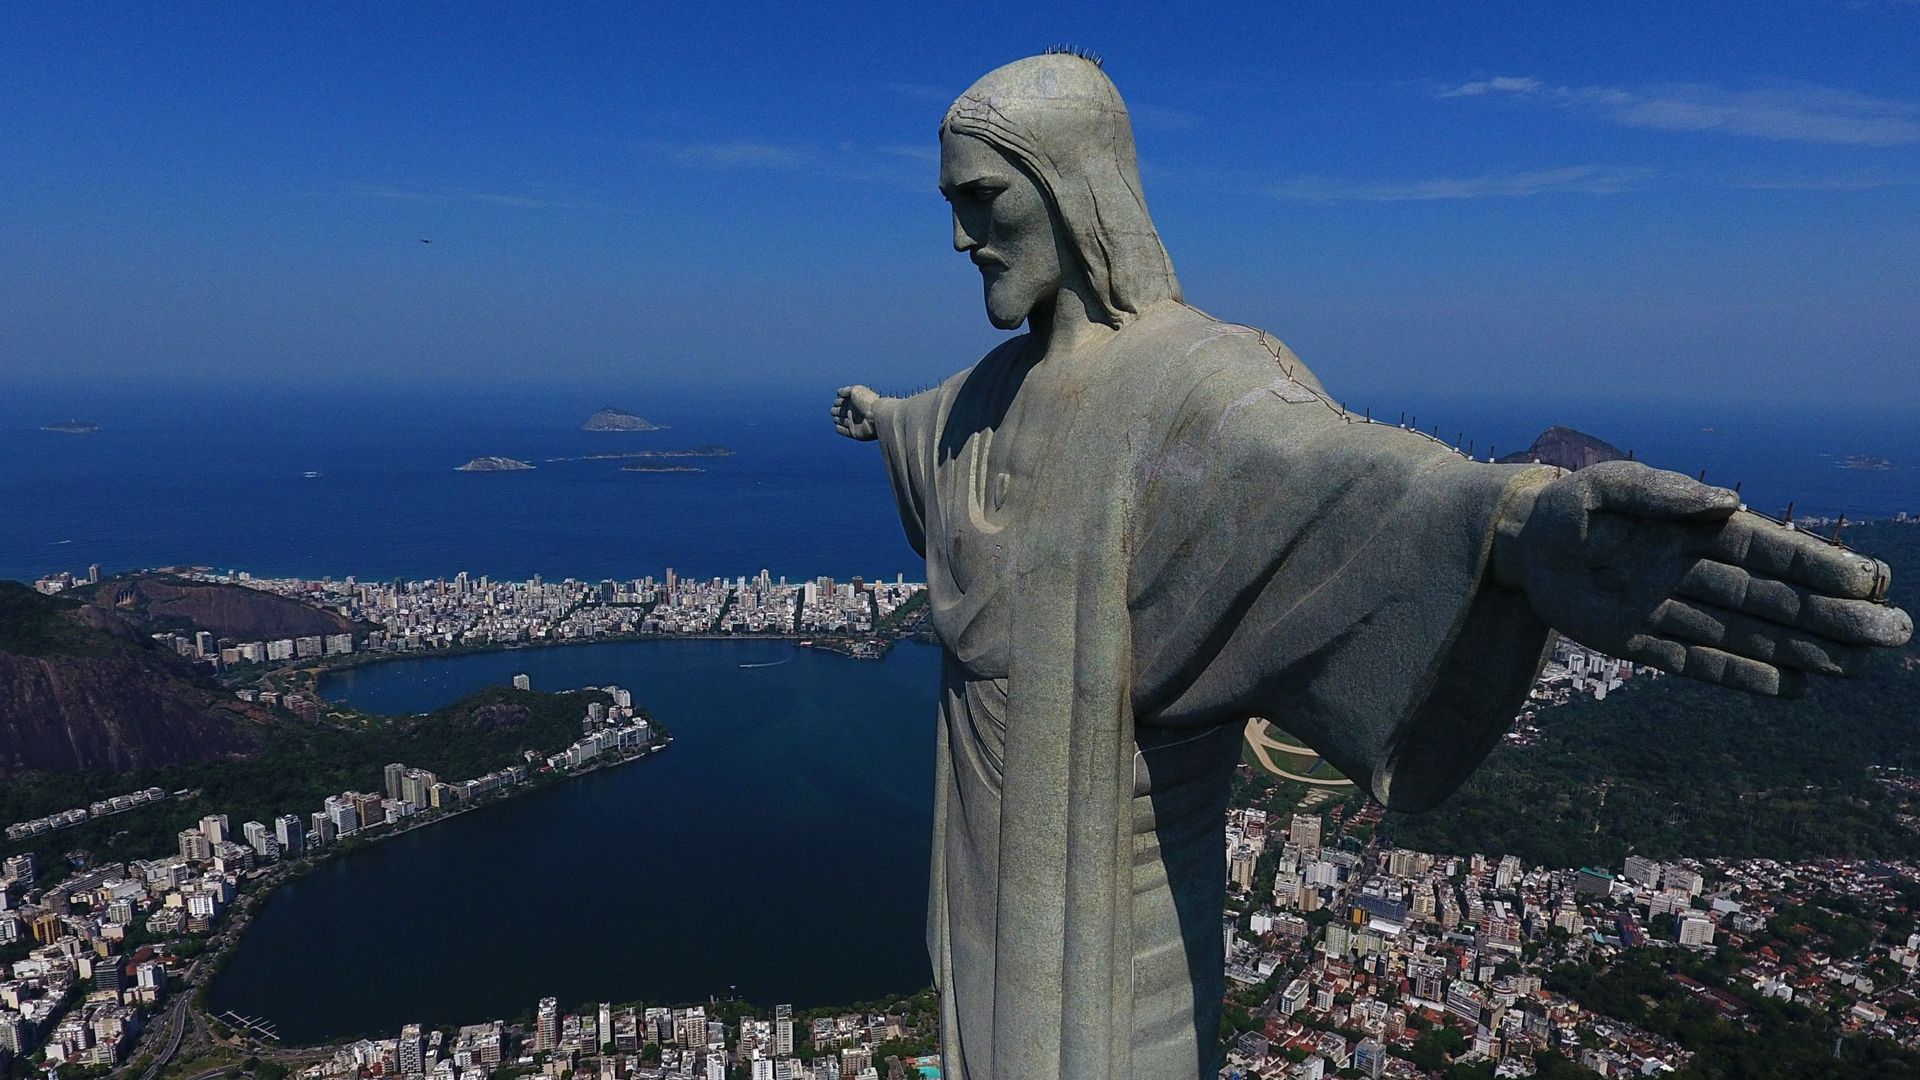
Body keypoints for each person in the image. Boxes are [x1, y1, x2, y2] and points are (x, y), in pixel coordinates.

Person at [830, 52, 1911, 1080]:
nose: (962, 237)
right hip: (979, 896)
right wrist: (880, 415)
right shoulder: (988, 394)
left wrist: (1511, 522)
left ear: (1072, 189)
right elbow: (934, 429)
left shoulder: (1192, 380)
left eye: (983, 198)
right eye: (952, 206)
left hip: (1123, 944)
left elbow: (1336, 470)